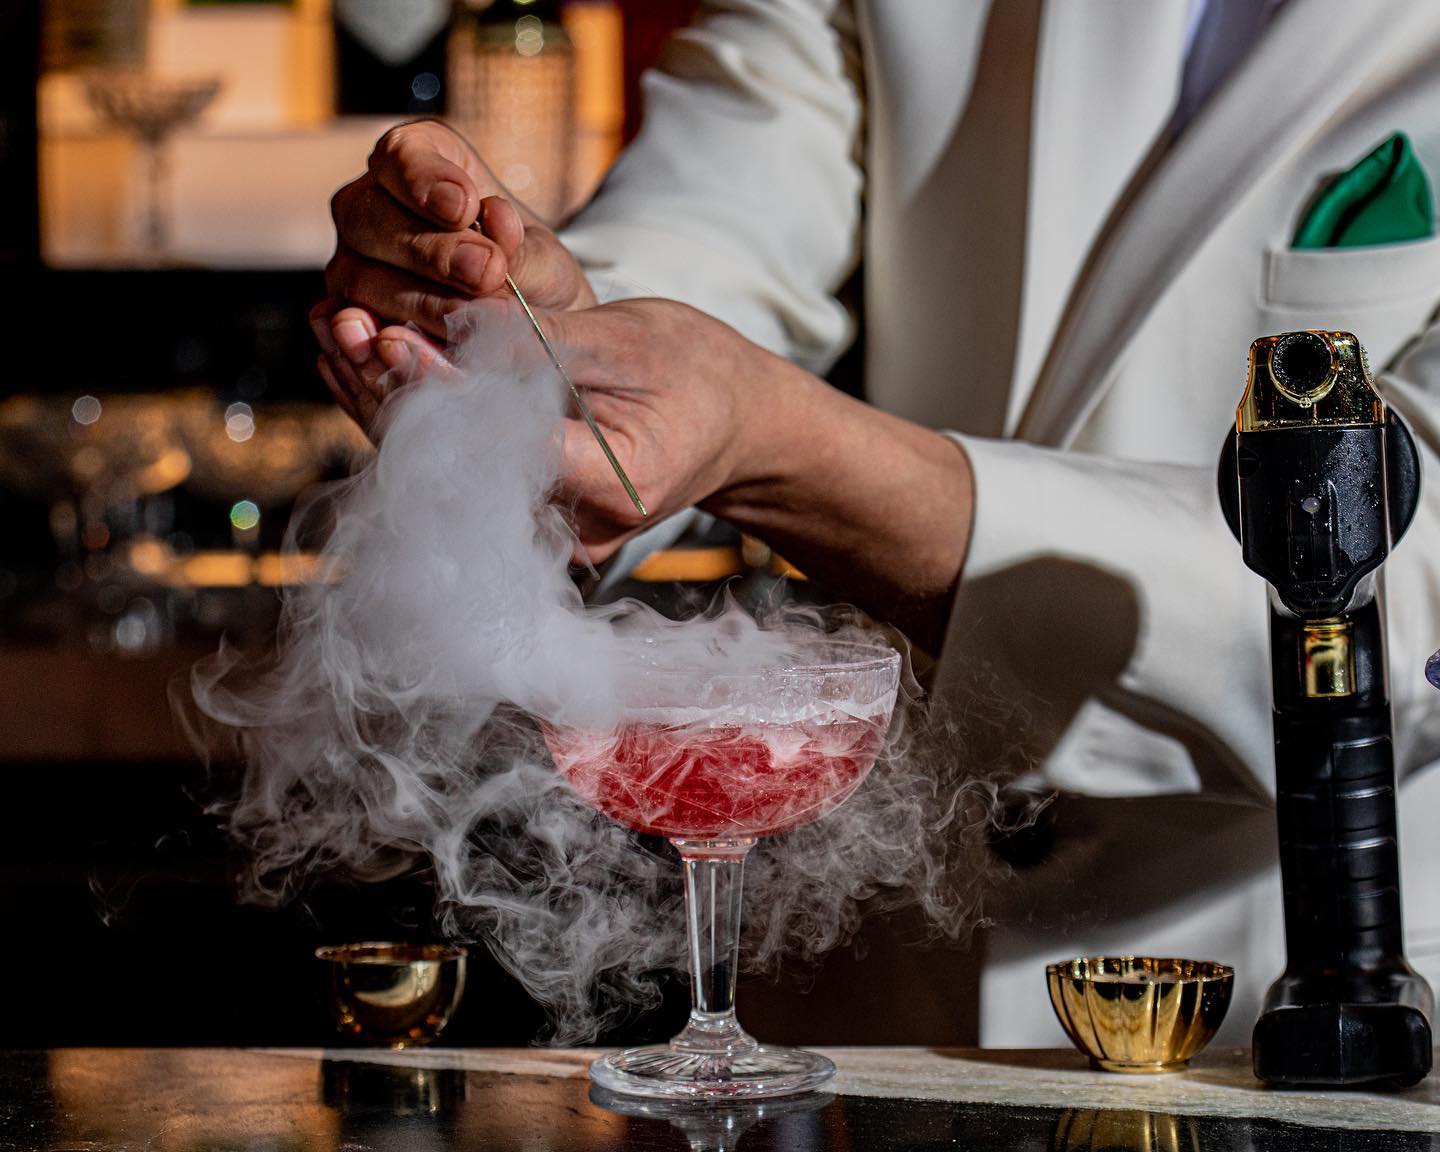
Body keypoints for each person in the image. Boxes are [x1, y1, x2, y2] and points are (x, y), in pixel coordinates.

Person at [313, 0, 1440, 1046]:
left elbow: (1401, 602)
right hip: (900, 1017)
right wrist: (523, 338)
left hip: (1298, 1009)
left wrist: (775, 440)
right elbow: (717, 228)